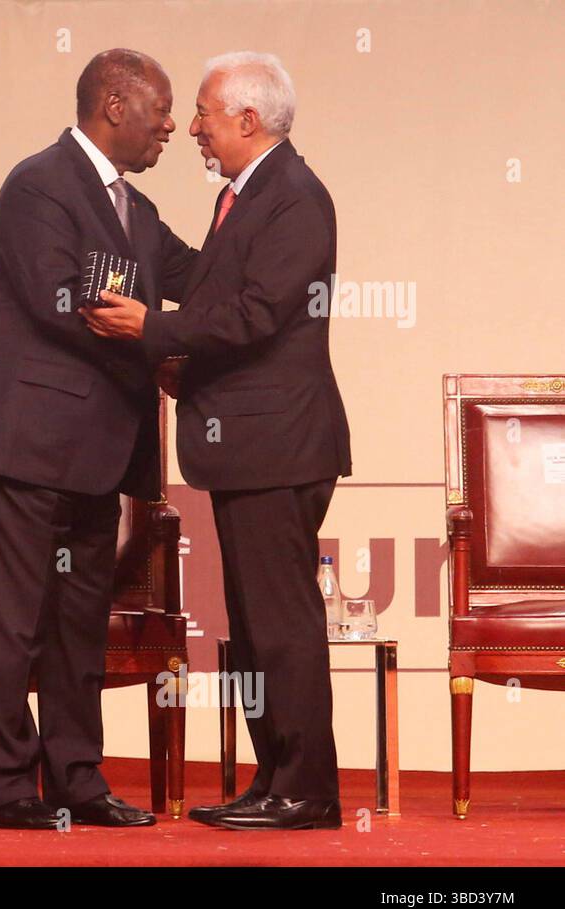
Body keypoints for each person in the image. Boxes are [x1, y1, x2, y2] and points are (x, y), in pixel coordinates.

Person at [83, 51, 352, 830]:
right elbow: (219, 290)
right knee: (257, 622)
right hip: (253, 446)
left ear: (247, 119)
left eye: (203, 113)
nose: (192, 128)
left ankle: (305, 791)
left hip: (280, 446)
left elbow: (256, 314)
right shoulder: (247, 195)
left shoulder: (296, 197)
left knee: (283, 623)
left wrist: (151, 329)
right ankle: (275, 783)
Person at [0, 49, 197, 829]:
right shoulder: (39, 185)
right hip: (22, 441)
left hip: (99, 454)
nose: (170, 125)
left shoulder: (141, 212)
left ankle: (78, 778)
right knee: (9, 621)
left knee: (76, 624)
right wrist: (161, 345)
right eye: (161, 109)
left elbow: (200, 275)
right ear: (116, 105)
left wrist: (260, 222)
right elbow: (63, 304)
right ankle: (8, 788)